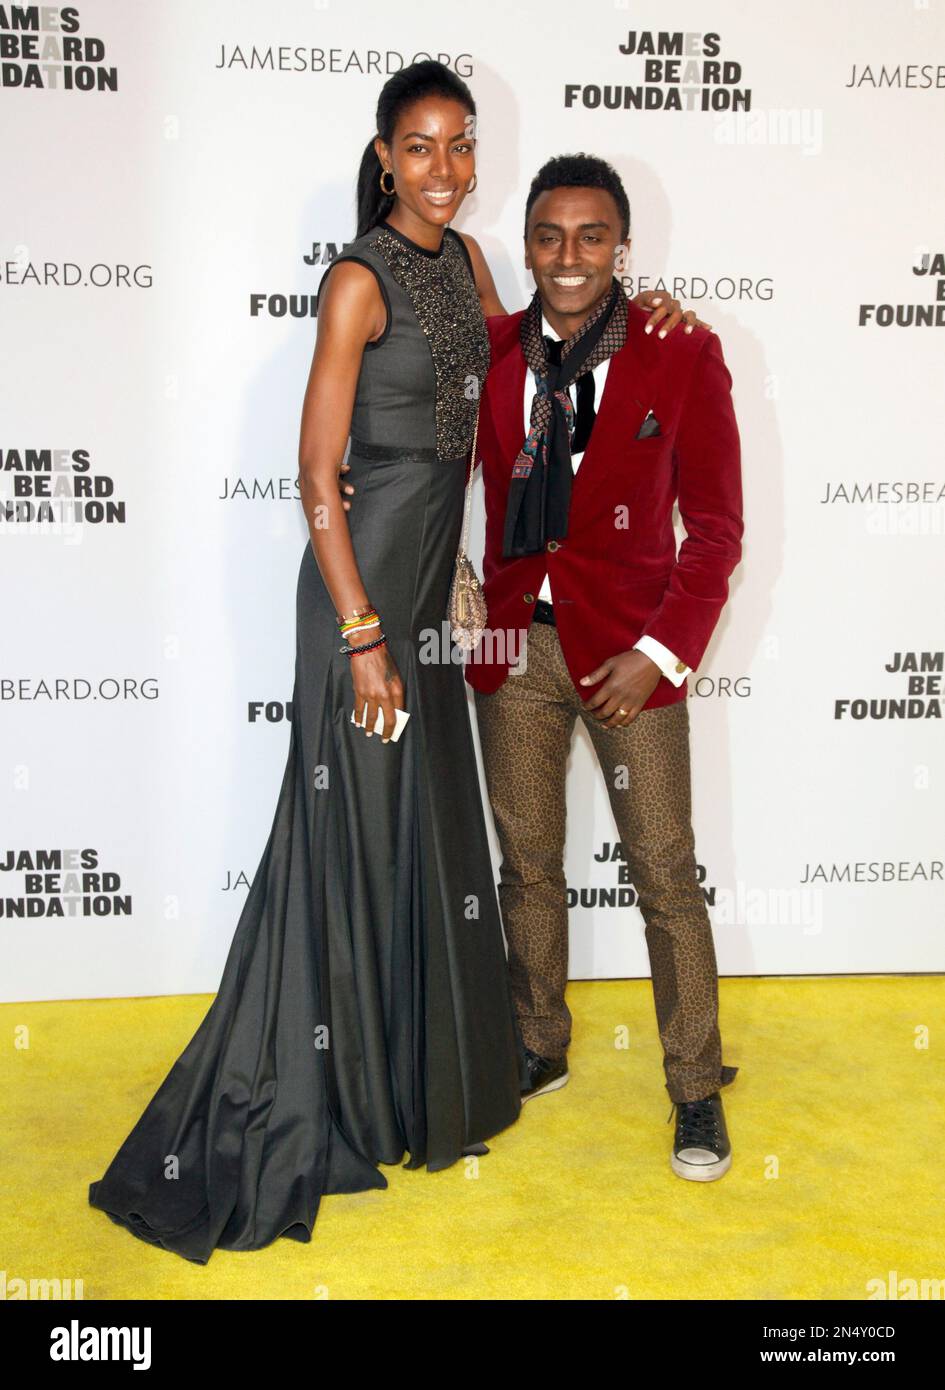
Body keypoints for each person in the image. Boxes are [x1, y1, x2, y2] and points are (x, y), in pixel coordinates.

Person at [88, 65, 697, 1265]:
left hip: (429, 592)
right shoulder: (359, 281)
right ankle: (340, 1098)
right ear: (383, 154)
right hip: (363, 604)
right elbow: (318, 475)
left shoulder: (471, 270)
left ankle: (418, 1086)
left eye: (461, 146)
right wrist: (363, 636)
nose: (445, 170)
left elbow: (534, 366)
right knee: (355, 837)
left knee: (425, 835)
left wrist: (650, 308)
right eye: (420, 148)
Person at [463, 154, 743, 1182]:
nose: (570, 256)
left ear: (623, 246)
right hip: (515, 650)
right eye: (549, 235)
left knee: (665, 876)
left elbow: (715, 529)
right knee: (527, 866)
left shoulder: (682, 350)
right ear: (528, 244)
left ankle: (697, 1088)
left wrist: (659, 652)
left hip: (633, 655)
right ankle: (540, 1041)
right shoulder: (496, 356)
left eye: (592, 236)